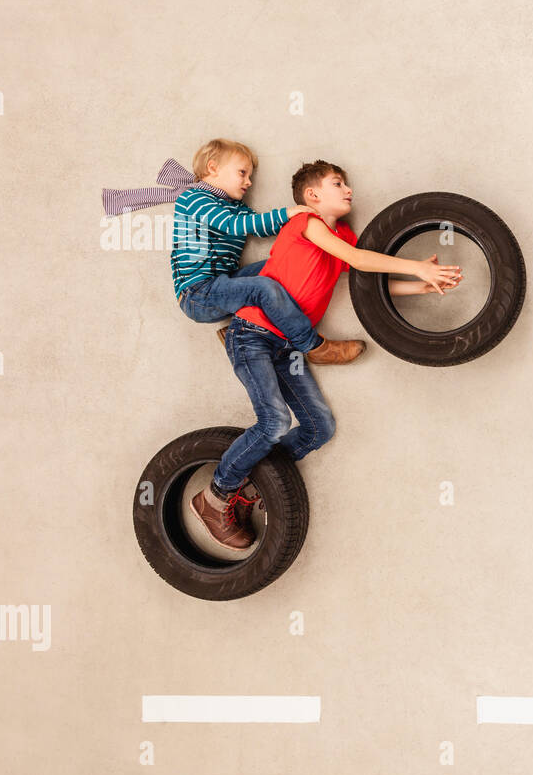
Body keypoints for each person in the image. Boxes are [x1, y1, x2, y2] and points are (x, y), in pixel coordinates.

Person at [191, 160, 463, 549]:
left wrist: (419, 285)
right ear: (312, 196)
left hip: (286, 347)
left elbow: (362, 280)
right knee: (273, 422)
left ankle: (250, 484)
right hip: (252, 333)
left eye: (348, 183)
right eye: (338, 183)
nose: (349, 189)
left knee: (321, 427)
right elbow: (358, 260)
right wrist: (416, 267)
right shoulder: (307, 224)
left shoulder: (345, 237)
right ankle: (215, 496)